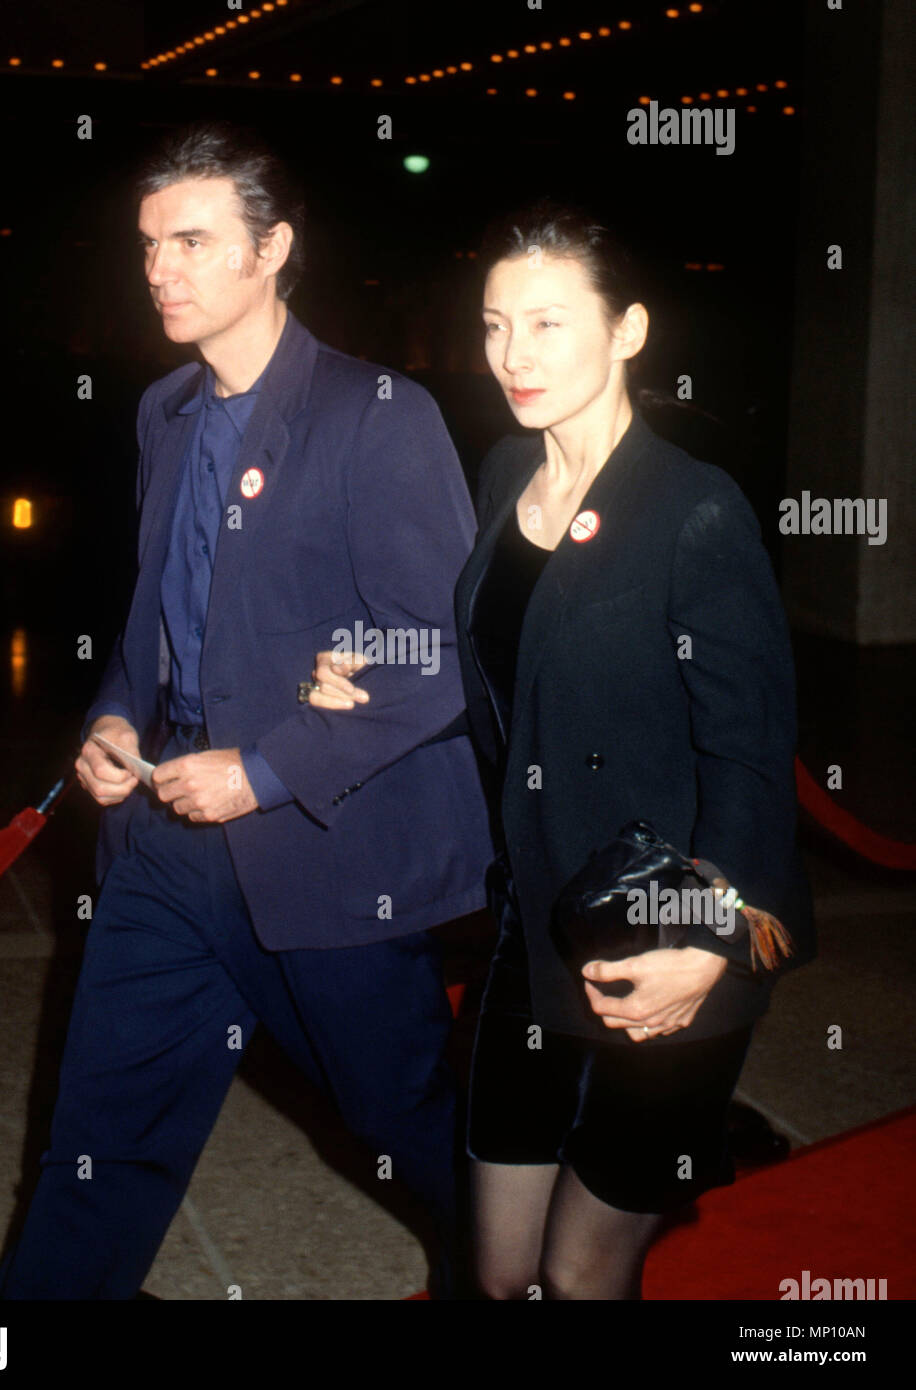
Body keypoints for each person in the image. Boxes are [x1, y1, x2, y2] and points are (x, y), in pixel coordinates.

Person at [0, 121, 494, 1300]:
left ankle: (542, 1264)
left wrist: (264, 770)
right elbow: (154, 622)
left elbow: (438, 647)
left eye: (192, 240)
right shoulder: (163, 412)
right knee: (98, 1133)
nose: (159, 267)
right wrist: (115, 723)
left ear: (272, 249)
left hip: (323, 851)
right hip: (163, 845)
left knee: (400, 1117)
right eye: (150, 243)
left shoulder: (379, 413)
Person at [306, 201, 815, 1300]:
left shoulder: (694, 511)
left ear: (627, 330)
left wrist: (715, 935)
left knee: (584, 1275)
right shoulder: (502, 476)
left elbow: (749, 749)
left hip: (666, 939)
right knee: (494, 1272)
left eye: (545, 323)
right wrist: (374, 670)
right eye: (494, 325)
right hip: (528, 930)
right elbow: (499, 667)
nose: (511, 355)